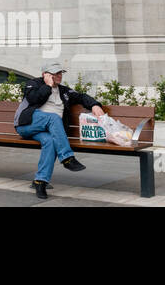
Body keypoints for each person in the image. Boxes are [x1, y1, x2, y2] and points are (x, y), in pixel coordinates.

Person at [13, 62, 107, 199]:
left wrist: (94, 105)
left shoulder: (64, 91)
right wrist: (48, 86)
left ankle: (40, 182)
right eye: (55, 73)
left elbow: (81, 96)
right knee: (53, 117)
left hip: (46, 130)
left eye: (60, 73)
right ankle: (67, 158)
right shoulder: (33, 84)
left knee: (50, 141)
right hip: (27, 125)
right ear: (45, 74)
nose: (59, 76)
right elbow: (33, 99)